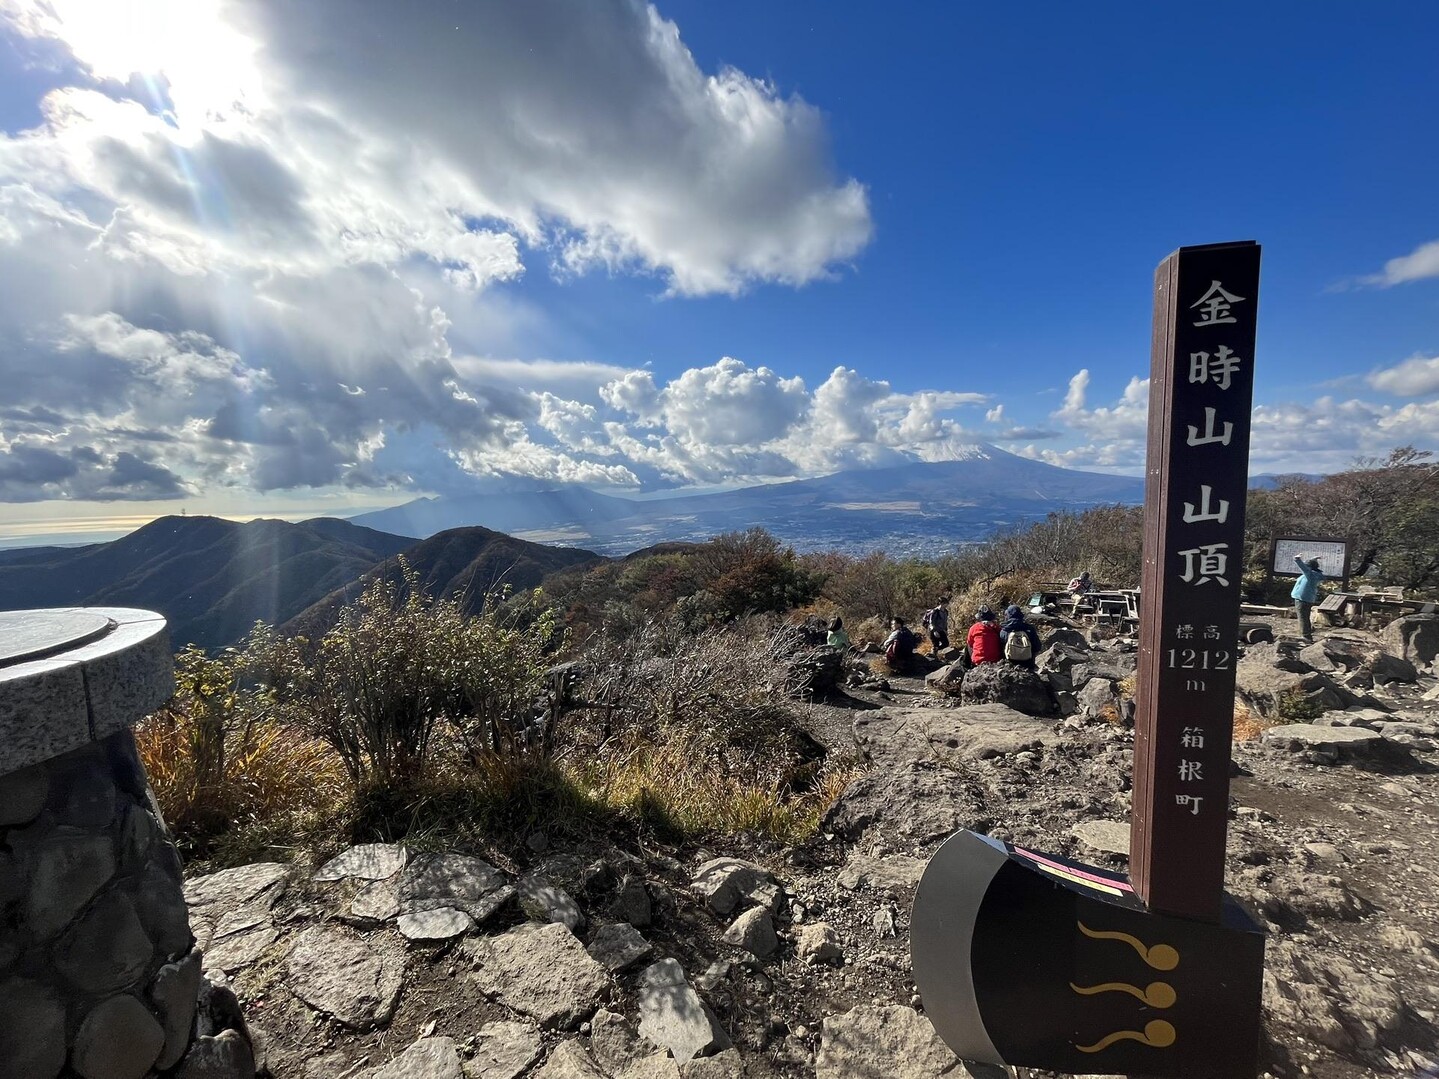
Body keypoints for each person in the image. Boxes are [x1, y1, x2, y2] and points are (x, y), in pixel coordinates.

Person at [1291, 556, 1326, 642]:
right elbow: (1308, 566)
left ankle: (1306, 636)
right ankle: (1308, 632)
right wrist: (1314, 558)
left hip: (1302, 598)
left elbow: (1304, 567)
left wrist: (1297, 559)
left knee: (1302, 617)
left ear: (1309, 567)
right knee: (1305, 617)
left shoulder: (1310, 574)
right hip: (1308, 599)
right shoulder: (1316, 574)